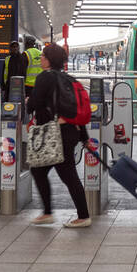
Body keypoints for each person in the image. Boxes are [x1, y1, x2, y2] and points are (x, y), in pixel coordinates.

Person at [27, 42, 91, 228]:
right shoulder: (70, 79)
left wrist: (29, 100)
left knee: (66, 175)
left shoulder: (44, 78)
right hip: (70, 131)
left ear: (48, 60)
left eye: (43, 56)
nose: (40, 59)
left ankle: (82, 216)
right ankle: (48, 212)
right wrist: (84, 137)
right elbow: (74, 110)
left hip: (55, 134)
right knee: (41, 170)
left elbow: (34, 105)